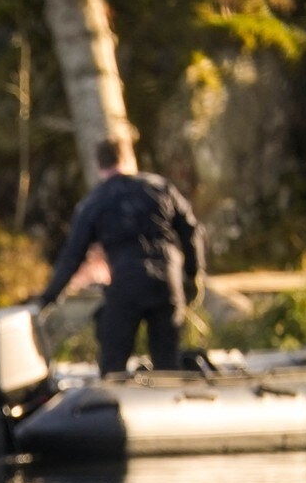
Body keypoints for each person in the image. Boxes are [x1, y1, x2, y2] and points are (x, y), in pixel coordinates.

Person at [36, 138, 205, 376]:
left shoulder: (94, 202)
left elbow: (72, 255)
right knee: (168, 365)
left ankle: (113, 403)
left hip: (126, 284)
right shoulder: (160, 187)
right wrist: (193, 274)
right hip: (166, 282)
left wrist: (49, 298)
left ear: (98, 165)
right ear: (127, 158)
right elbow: (191, 231)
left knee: (113, 365)